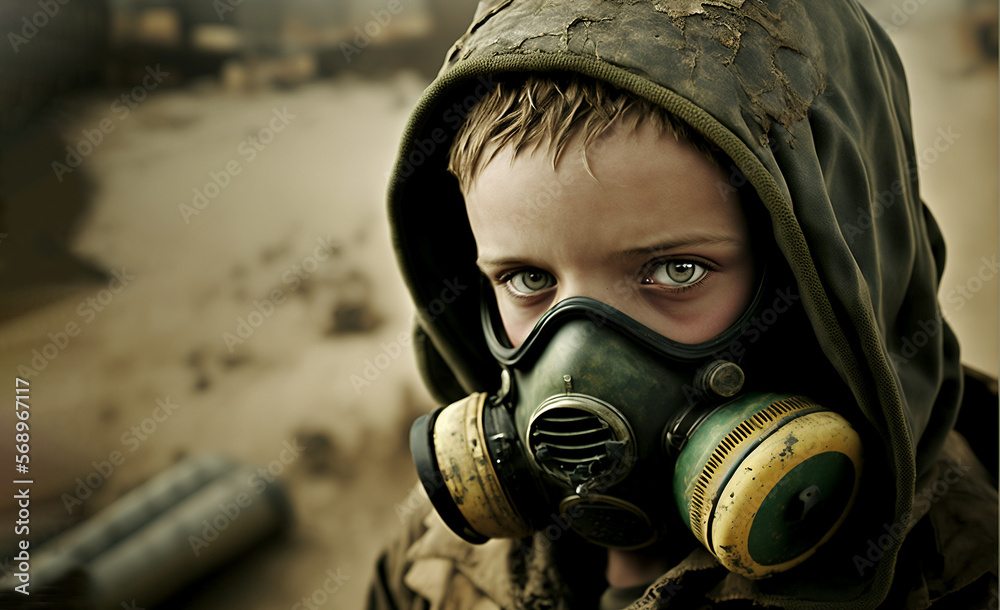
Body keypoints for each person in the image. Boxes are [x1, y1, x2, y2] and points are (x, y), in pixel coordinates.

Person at [369, 0, 998, 607]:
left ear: (817, 280)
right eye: (528, 280)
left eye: (676, 270)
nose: (574, 366)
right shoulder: (430, 565)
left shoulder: (967, 574)